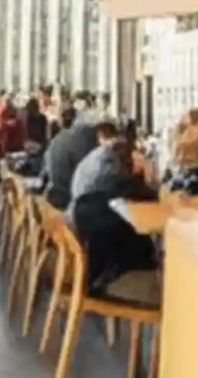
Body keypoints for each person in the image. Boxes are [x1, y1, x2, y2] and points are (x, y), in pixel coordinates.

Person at [68, 125, 160, 303]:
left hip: (81, 234)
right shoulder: (110, 167)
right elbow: (136, 190)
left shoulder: (97, 157)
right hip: (97, 267)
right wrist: (144, 176)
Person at [42, 107, 100, 210]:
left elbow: (45, 172)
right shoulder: (84, 145)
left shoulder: (58, 139)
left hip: (53, 196)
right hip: (69, 201)